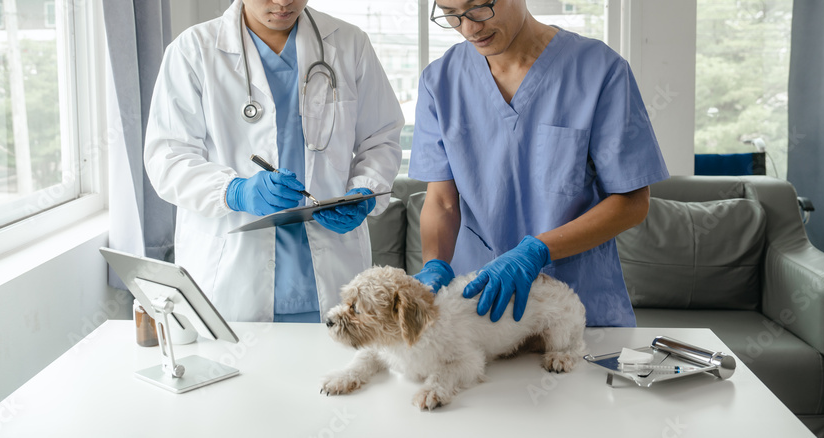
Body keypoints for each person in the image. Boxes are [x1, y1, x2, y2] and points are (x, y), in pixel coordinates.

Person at [409, 0, 669, 327]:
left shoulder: (599, 70)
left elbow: (632, 202)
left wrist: (538, 250)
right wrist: (435, 265)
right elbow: (443, 203)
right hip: (478, 310)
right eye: (451, 14)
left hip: (577, 309)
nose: (469, 28)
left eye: (479, 7)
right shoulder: (440, 81)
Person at [143, 0, 403, 323]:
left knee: (340, 370)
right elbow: (166, 158)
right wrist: (234, 191)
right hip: (231, 282)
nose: (283, 2)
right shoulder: (192, 51)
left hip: (334, 276)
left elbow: (381, 138)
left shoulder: (350, 45)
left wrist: (365, 191)